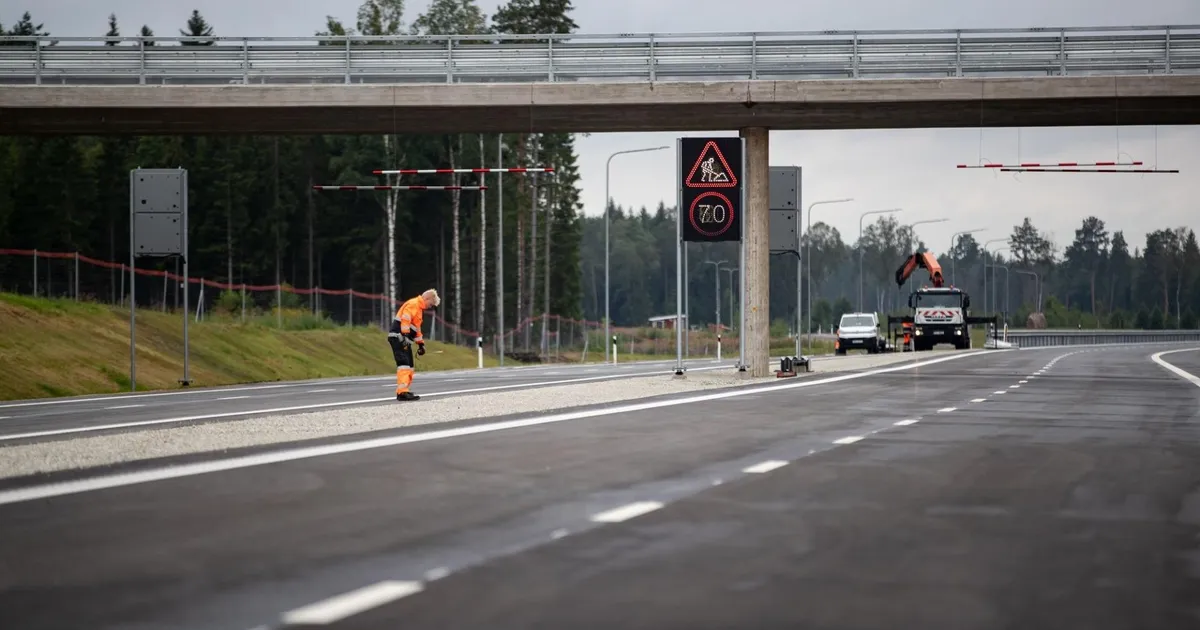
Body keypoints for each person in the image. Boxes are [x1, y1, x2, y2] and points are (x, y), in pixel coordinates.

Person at [388, 289, 439, 401]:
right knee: (404, 365)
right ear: (427, 298)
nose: (430, 307)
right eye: (431, 304)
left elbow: (416, 330)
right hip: (398, 338)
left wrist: (421, 344)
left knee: (409, 366)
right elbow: (405, 319)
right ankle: (402, 393)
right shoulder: (413, 304)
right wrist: (405, 336)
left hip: (403, 339)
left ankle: (404, 390)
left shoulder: (419, 310)